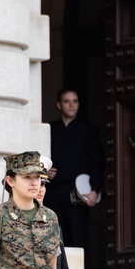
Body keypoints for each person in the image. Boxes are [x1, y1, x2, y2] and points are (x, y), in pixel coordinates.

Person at [44, 88, 104, 250]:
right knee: (53, 237)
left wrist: (95, 190)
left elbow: (97, 162)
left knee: (78, 237)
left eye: (75, 101)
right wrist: (45, 171)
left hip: (76, 194)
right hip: (53, 192)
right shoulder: (50, 129)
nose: (71, 105)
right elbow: (39, 158)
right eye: (67, 101)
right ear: (59, 104)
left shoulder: (88, 131)